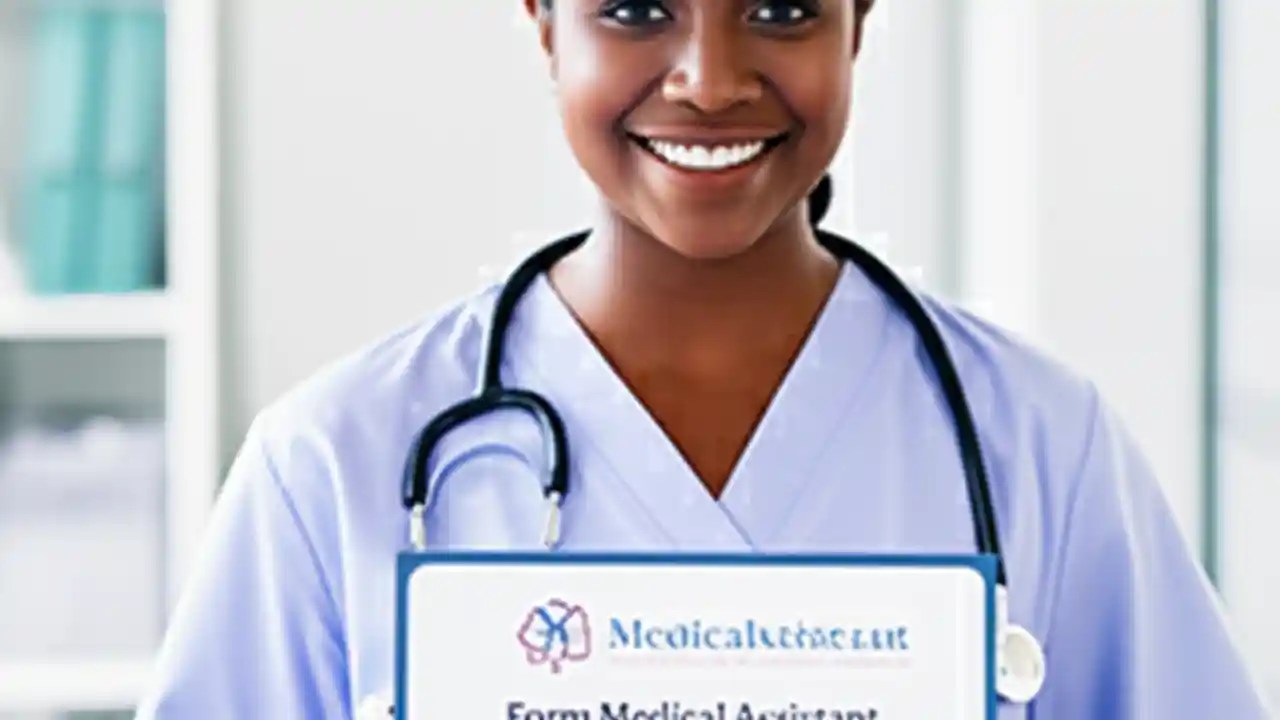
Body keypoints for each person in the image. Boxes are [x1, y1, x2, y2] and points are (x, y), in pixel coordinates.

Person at [136, 1, 1270, 717]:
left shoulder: (1037, 442)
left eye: (779, 9)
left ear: (858, 21)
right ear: (541, 20)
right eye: (634, 10)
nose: (710, 76)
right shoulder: (332, 461)